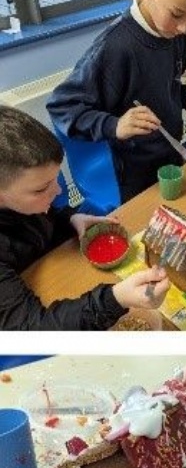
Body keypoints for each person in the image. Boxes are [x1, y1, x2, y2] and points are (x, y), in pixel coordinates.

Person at [47, 0, 186, 206]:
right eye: (178, 14)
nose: (185, 27)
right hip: (129, 176)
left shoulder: (175, 33)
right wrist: (115, 125)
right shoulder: (114, 48)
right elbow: (62, 107)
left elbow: (169, 82)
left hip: (167, 156)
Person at [0, 106, 169, 330]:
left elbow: (35, 222)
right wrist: (114, 300)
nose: (59, 191)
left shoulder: (18, 200)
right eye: (41, 189)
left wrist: (70, 219)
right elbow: (31, 331)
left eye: (56, 178)